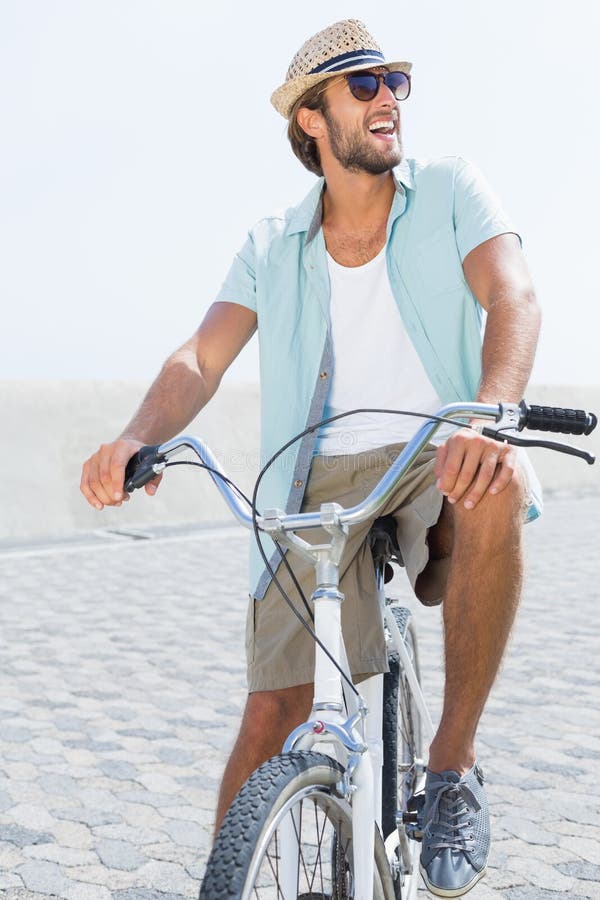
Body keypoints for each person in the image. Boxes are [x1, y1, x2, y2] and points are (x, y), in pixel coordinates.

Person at [81, 19, 542, 897]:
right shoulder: (271, 243)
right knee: (269, 718)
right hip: (313, 478)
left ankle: (449, 767)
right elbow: (200, 358)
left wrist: (493, 417)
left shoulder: (450, 190)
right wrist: (139, 436)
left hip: (435, 445)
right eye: (362, 85)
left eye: (394, 83)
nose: (387, 99)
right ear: (310, 119)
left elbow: (513, 292)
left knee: (496, 486)